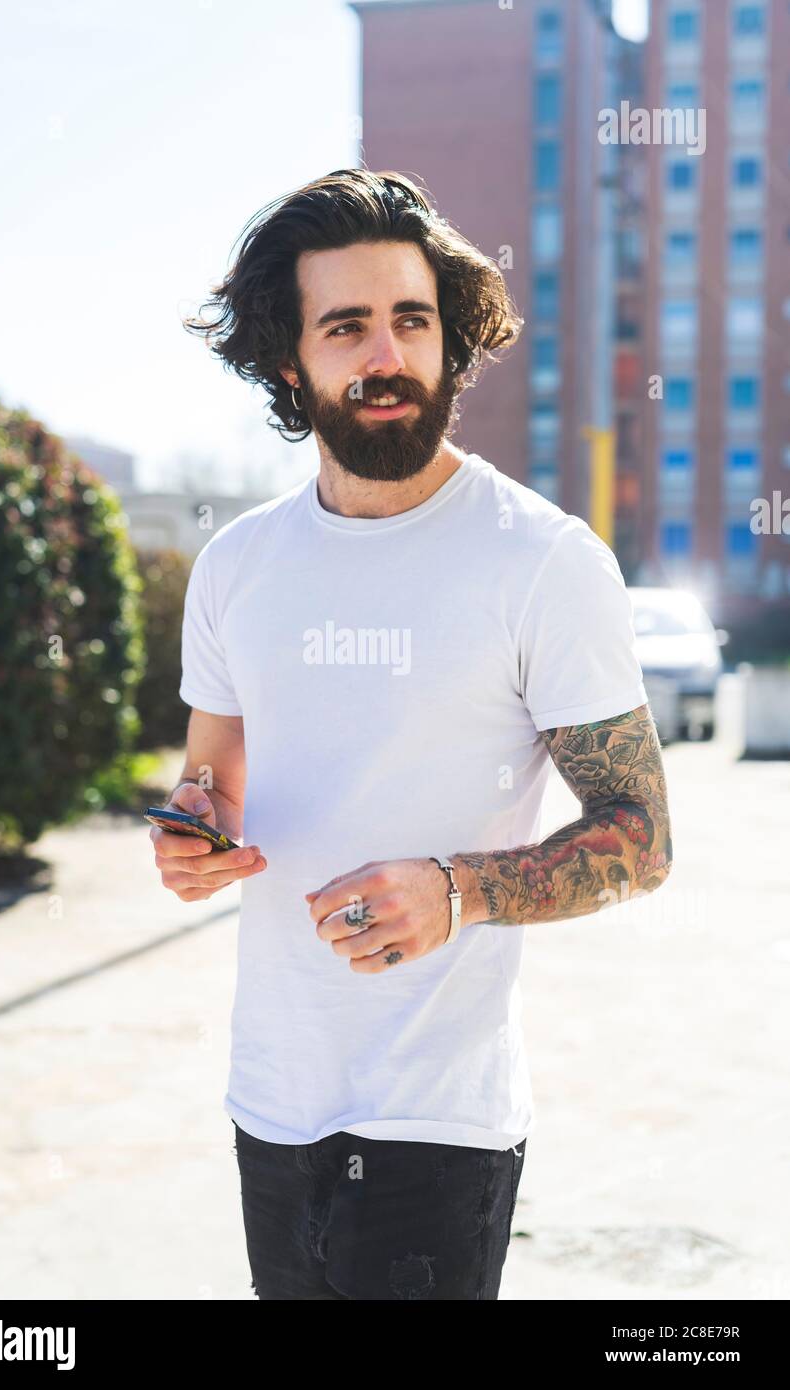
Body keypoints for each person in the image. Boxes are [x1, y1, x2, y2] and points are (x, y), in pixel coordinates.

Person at [149, 169, 673, 1300]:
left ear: (448, 340)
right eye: (346, 326)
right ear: (290, 359)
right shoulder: (238, 566)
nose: (385, 354)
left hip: (440, 1121)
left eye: (411, 320)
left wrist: (459, 888)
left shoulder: (540, 561)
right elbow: (211, 783)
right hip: (270, 1098)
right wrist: (192, 835)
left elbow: (641, 835)